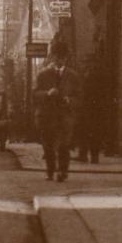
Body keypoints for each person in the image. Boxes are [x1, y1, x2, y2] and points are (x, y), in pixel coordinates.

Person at [33, 39, 80, 182]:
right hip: (47, 116)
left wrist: (69, 100)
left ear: (66, 58)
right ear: (53, 57)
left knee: (64, 145)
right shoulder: (43, 75)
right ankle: (50, 171)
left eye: (63, 57)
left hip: (65, 117)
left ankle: (63, 171)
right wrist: (47, 93)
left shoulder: (73, 76)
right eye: (57, 57)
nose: (60, 60)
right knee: (48, 146)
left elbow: (79, 97)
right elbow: (34, 94)